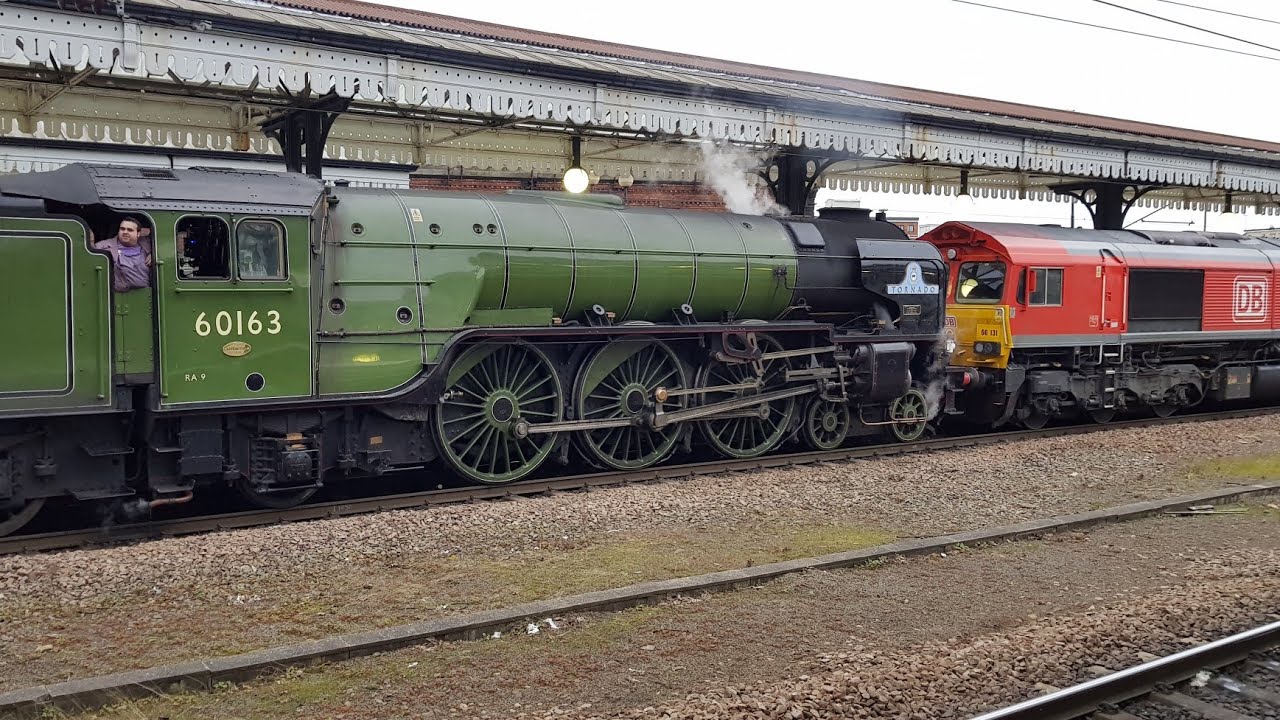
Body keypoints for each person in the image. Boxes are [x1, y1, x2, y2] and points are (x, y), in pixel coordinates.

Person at [94, 217, 153, 292]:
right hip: (118, 296)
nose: (125, 232)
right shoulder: (102, 247)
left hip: (148, 294)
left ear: (138, 234)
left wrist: (156, 254)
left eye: (130, 230)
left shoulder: (150, 245)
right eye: (122, 229)